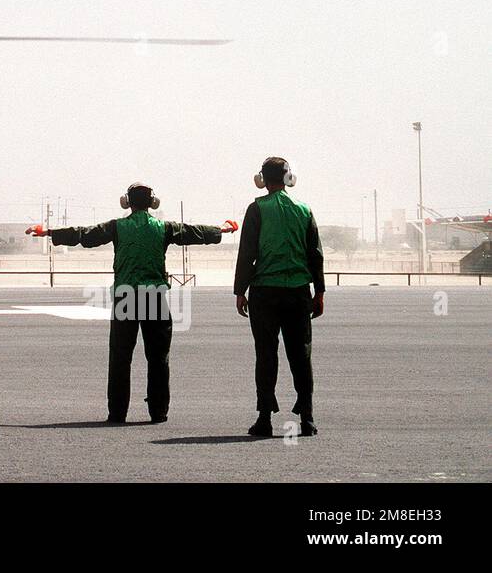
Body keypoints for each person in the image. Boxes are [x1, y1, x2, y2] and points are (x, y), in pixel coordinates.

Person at [27, 184, 237, 424]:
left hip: (126, 297)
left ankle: (117, 412)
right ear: (153, 202)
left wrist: (49, 232)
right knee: (158, 358)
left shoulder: (117, 227)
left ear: (126, 202)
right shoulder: (164, 228)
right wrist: (221, 229)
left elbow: (85, 234)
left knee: (120, 357)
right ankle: (158, 412)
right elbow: (194, 232)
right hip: (155, 297)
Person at [233, 157, 325, 437]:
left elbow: (247, 254)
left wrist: (240, 290)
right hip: (298, 293)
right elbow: (315, 255)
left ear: (262, 179)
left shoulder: (256, 209)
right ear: (288, 177)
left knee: (266, 355)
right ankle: (307, 419)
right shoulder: (304, 209)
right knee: (301, 355)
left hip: (264, 293)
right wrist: (319, 292)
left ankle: (264, 418)